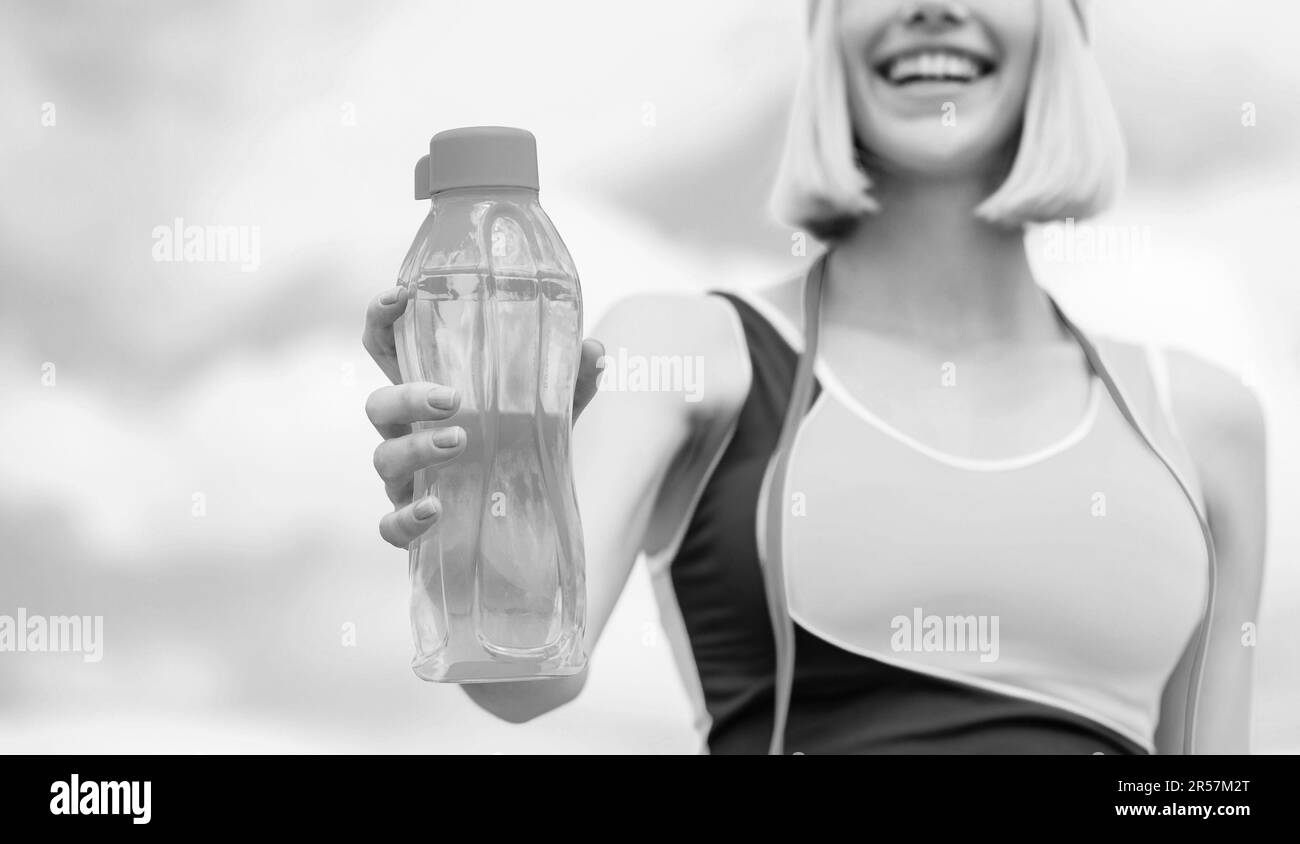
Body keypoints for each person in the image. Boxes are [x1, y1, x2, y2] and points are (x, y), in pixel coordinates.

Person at [362, 0, 1266, 754]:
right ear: (826, 36)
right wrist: (477, 491)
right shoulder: (686, 353)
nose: (931, 8)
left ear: (1059, 27)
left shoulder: (1201, 421)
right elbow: (521, 685)